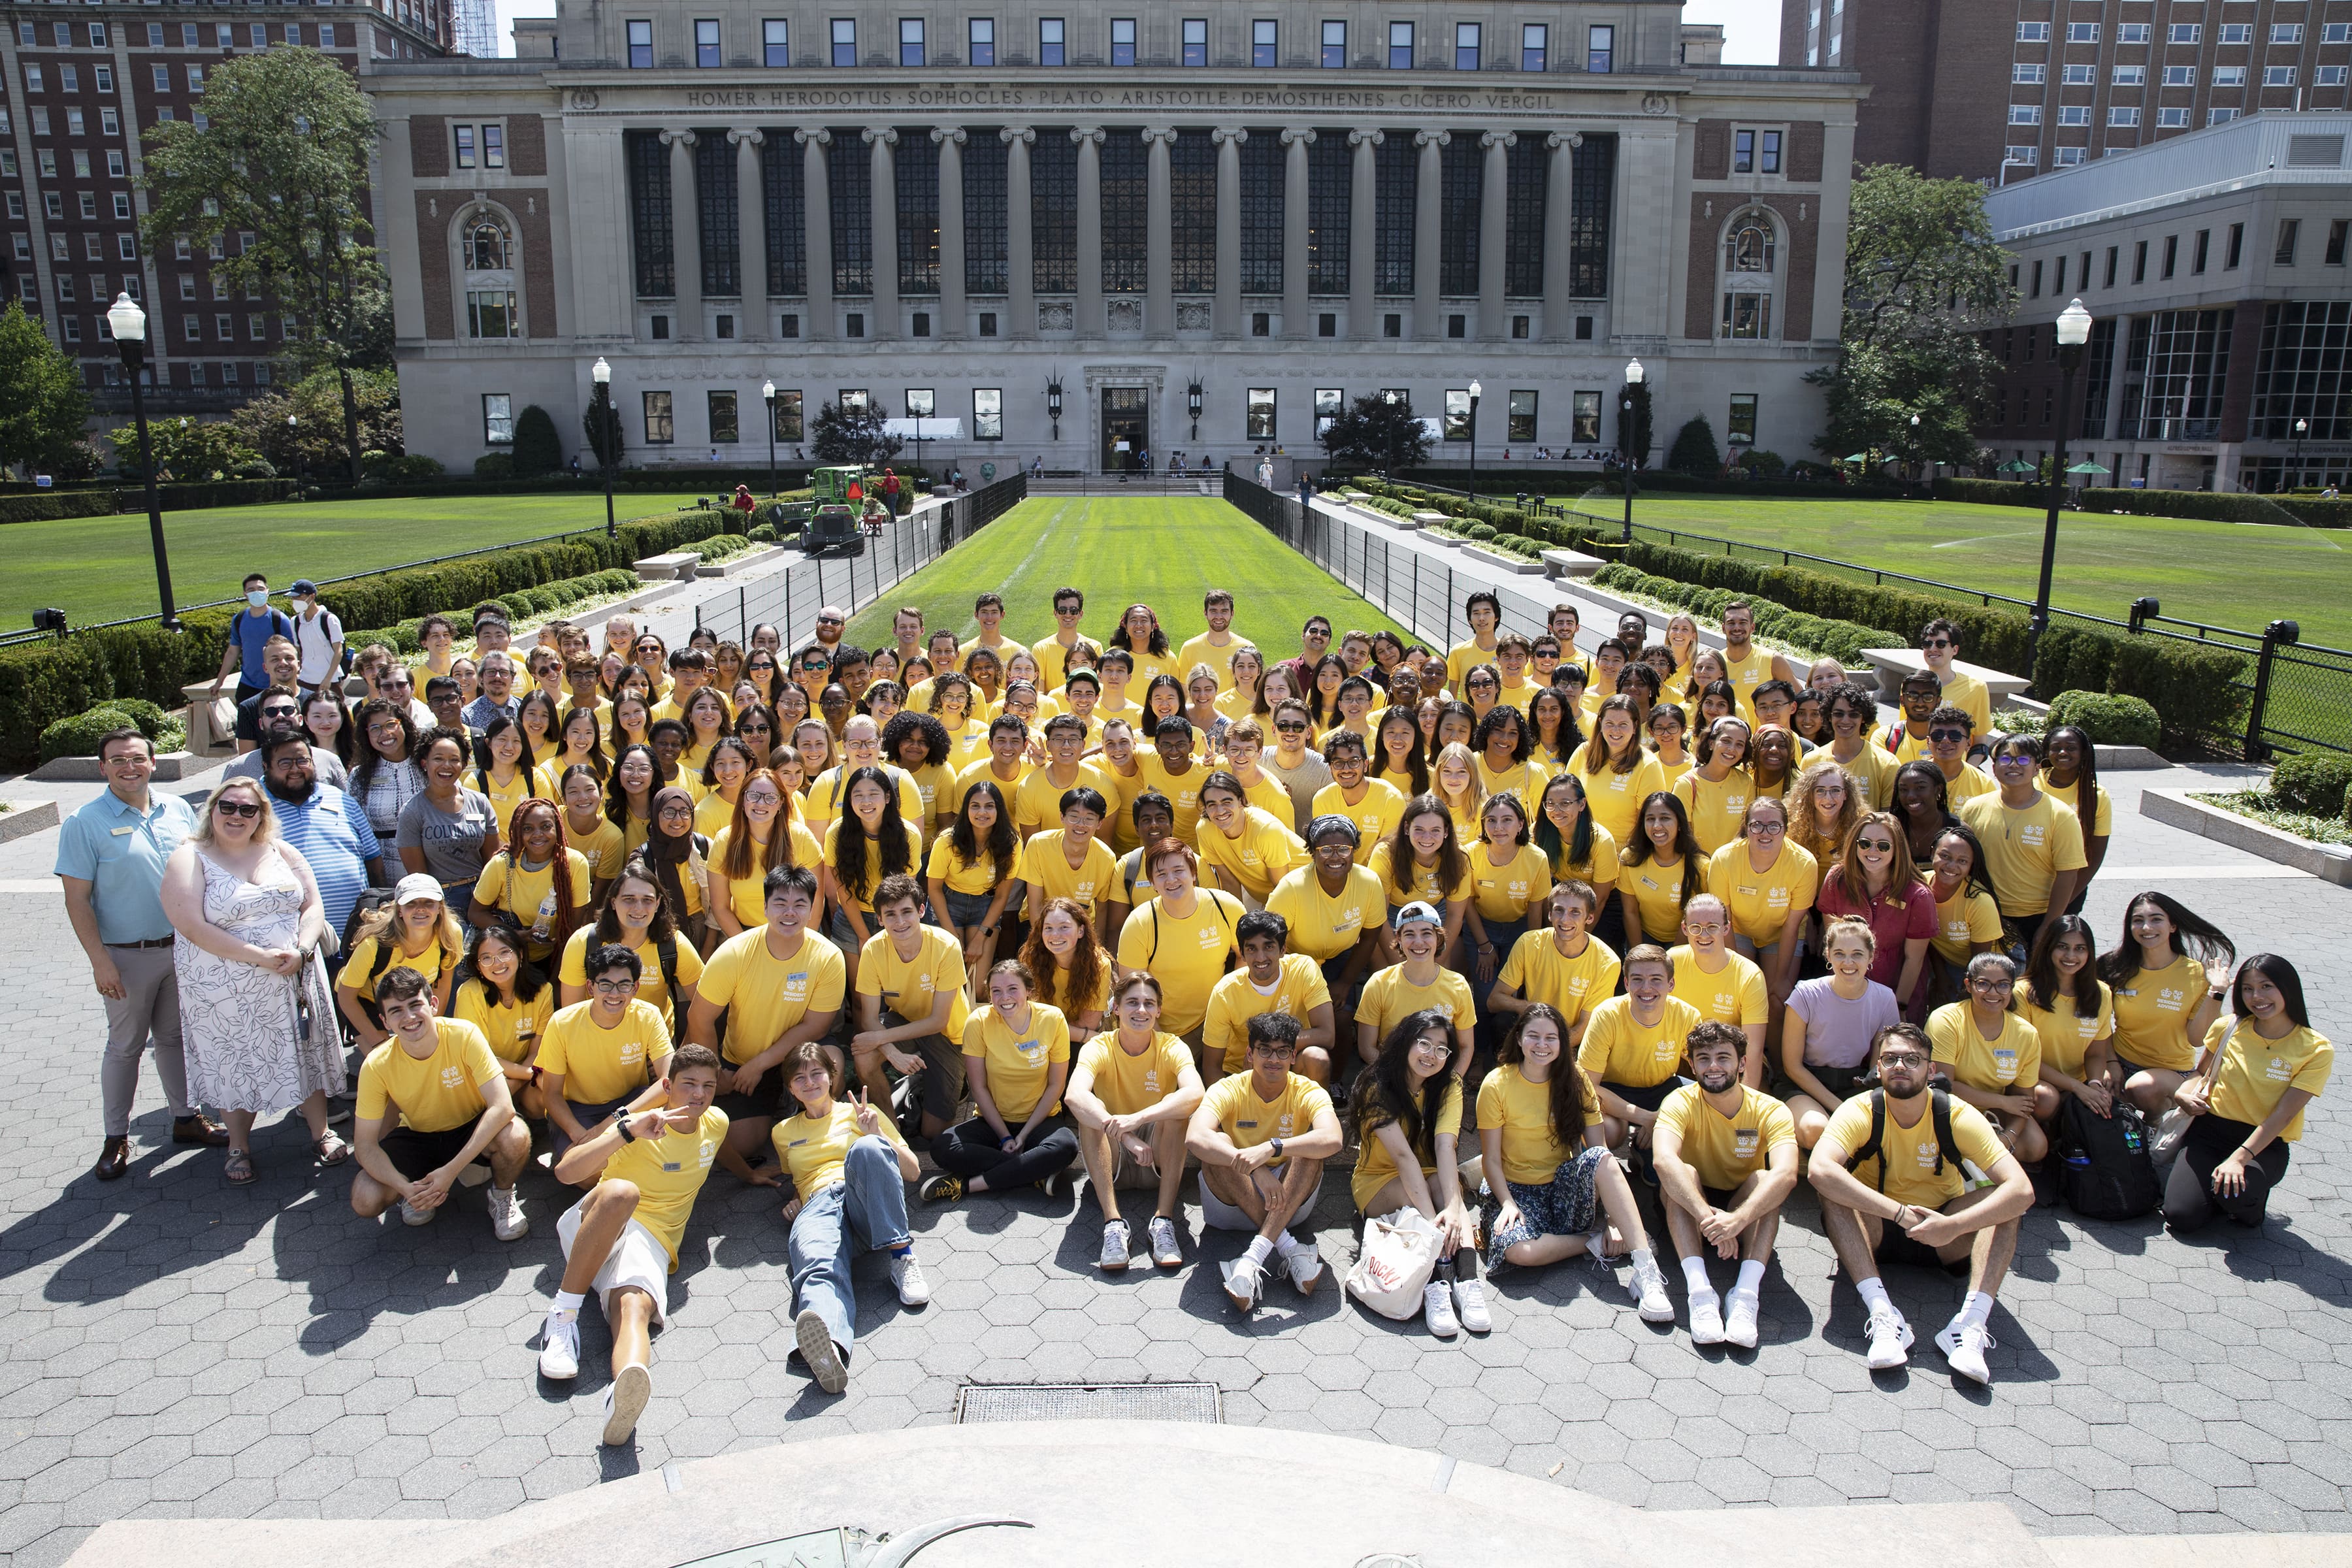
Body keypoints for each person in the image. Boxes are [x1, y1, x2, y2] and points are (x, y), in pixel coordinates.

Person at [1809, 1022, 2033, 1382]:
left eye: (1912, 1059)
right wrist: (1898, 1213)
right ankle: (1884, 1316)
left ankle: (1969, 1327)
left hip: (1944, 1233)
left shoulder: (1957, 1114)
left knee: (2005, 1202)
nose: (1900, 1066)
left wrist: (1952, 1226)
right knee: (1832, 1190)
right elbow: (1819, 1170)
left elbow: (2022, 1190)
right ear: (1877, 1068)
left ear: (1931, 1070)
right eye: (1890, 1058)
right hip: (1879, 1227)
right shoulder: (1859, 1109)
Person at [57, 725, 227, 1179]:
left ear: (153, 763)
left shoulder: (177, 809)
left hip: (182, 950)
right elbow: (77, 900)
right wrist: (100, 962)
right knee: (125, 1047)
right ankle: (116, 1137)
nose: (128, 767)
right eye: (117, 760)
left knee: (173, 1040)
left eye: (136, 758)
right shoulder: (84, 822)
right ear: (102, 768)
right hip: (125, 957)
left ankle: (186, 1118)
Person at [157, 774, 344, 1184]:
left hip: (293, 974)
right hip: (225, 990)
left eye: (248, 809)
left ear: (261, 815)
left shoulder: (280, 849)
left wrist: (303, 949)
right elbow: (189, 924)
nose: (237, 815)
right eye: (228, 807)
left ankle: (321, 1132)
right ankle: (238, 1146)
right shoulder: (190, 857)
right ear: (212, 811)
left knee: (304, 1048)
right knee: (236, 1061)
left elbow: (313, 905)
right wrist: (257, 956)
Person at [537, 1041, 727, 1443]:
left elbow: (707, 1156)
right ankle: (561, 1319)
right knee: (623, 1192)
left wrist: (750, 1176)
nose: (699, 1094)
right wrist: (625, 1131)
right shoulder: (637, 1124)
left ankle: (622, 1395)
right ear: (667, 1086)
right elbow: (566, 1172)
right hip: (598, 1221)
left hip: (653, 1242)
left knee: (635, 1307)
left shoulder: (719, 1124)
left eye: (708, 1086)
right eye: (689, 1084)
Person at [1473, 1004, 1673, 1321]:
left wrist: (1608, 1217)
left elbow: (1600, 1154)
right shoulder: (1496, 1084)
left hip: (1563, 1185)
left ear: (1563, 1043)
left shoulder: (1575, 1079)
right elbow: (1492, 1161)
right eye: (1533, 1036)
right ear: (1519, 1039)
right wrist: (1508, 1204)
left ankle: (1645, 1270)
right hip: (1515, 1190)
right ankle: (1592, 1242)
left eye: (1551, 1038)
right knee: (1519, 1252)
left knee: (1602, 1158)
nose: (1542, 1045)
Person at [774, 1041, 929, 1395]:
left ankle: (902, 1256)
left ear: (832, 1077)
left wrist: (873, 1132)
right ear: (790, 1087)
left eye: (817, 1074)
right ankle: (829, 1346)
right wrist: (794, 1201)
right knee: (817, 1263)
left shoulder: (863, 1111)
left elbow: (914, 1172)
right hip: (817, 1207)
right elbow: (798, 1178)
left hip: (863, 1202)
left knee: (869, 1147)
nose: (810, 1083)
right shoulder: (782, 1132)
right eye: (800, 1078)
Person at [687, 864, 846, 1183]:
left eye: (800, 904)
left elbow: (815, 1027)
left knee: (834, 1061)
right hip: (739, 1063)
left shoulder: (828, 956)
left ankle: (815, 1130)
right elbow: (698, 1018)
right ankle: (781, 1109)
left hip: (789, 1060)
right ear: (764, 907)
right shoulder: (734, 952)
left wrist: (761, 1064)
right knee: (738, 1145)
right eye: (780, 904)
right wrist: (715, 1073)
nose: (790, 913)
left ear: (812, 908)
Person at [348, 966, 532, 1237]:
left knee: (516, 1135)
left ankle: (501, 1197)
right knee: (365, 1197)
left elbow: (503, 1107)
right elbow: (364, 1146)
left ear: (433, 1004)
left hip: (470, 1125)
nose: (409, 1017)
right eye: (396, 1010)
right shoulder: (376, 1064)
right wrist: (404, 1188)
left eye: (415, 1005)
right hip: (418, 1135)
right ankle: (418, 1192)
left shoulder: (463, 1034)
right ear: (385, 1021)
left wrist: (450, 1172)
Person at [1652, 1021, 1801, 1348]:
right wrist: (1709, 1220)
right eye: (1703, 1059)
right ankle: (1700, 1292)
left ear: (1743, 1063)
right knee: (1679, 1174)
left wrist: (1737, 1221)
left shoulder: (1771, 1109)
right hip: (1693, 1203)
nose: (1713, 1066)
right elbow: (1663, 1159)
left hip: (1740, 1204)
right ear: (1692, 1066)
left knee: (1766, 1182)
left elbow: (1787, 1173)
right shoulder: (1679, 1101)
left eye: (1723, 1057)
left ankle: (1746, 1295)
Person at [1186, 1012, 1343, 1311]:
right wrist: (1255, 1169)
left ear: (1294, 1056)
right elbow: (1195, 1138)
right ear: (1249, 1054)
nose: (1274, 1059)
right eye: (1265, 1050)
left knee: (1310, 1149)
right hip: (1232, 1202)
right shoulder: (1228, 1088)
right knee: (1218, 1142)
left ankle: (1251, 1260)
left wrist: (1273, 1147)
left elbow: (1334, 1139)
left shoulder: (1307, 1090)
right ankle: (1288, 1248)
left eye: (1283, 1051)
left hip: (1288, 1200)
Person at [2165, 954, 2330, 1233]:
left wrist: (2239, 1158)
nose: (2257, 997)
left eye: (2267, 987)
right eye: (2248, 988)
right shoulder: (2228, 1026)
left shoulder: (2316, 1048)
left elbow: (2283, 1115)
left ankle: (2241, 1201)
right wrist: (2182, 1094)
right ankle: (2215, 1190)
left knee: (2238, 1198)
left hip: (2263, 1144)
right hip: (2210, 1133)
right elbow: (2199, 1074)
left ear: (2287, 988)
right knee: (2181, 1216)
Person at [1351, 1009, 1488, 1337]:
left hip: (1427, 1170)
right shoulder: (1377, 1084)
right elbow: (1402, 1158)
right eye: (1424, 1043)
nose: (1432, 1055)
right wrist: (1434, 1221)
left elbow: (1445, 1148)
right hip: (1380, 1178)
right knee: (1430, 1209)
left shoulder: (1450, 1085)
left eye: (1442, 1049)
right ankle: (1438, 1285)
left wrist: (1454, 1210)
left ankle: (1468, 1281)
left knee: (1447, 1196)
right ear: (1405, 1043)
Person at [1065, 973, 1206, 1270]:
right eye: (1132, 1002)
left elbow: (1196, 1092)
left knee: (1177, 1110)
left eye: (1148, 1004)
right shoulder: (1099, 1046)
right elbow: (1074, 1095)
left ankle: (1164, 1221)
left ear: (1158, 1011)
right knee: (1091, 1110)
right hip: (1113, 1153)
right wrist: (1127, 1135)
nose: (1140, 1010)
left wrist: (1140, 1118)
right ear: (1115, 1008)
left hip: (1157, 1156)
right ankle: (1114, 1224)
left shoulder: (1171, 1046)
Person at [921, 959, 1081, 1202]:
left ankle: (966, 1186)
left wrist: (1024, 1135)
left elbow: (1055, 1086)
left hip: (1039, 1121)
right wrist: (1006, 1137)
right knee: (943, 1146)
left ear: (1029, 991)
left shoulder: (1053, 1019)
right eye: (996, 991)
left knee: (1066, 1147)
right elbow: (979, 1088)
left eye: (1013, 989)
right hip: (992, 1122)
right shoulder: (978, 1022)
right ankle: (1032, 1171)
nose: (1004, 997)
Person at [849, 874, 970, 1136]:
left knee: (932, 1133)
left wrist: (884, 1042)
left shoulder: (946, 945)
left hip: (949, 1036)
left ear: (922, 911)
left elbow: (938, 1020)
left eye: (907, 912)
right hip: (903, 1022)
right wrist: (893, 1053)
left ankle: (927, 1084)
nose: (900, 921)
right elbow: (870, 1018)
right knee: (864, 1054)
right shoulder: (872, 949)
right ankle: (891, 1130)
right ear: (879, 919)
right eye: (890, 915)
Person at [537, 943, 674, 1171]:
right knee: (585, 1172)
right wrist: (580, 1134)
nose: (614, 994)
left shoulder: (648, 1015)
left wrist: (609, 1125)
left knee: (661, 1154)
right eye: (605, 984)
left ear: (635, 988)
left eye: (624, 985)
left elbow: (667, 1082)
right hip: (578, 1110)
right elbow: (551, 1095)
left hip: (630, 1103)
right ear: (590, 987)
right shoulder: (562, 1023)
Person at [2100, 890, 2235, 1117]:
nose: (2146, 928)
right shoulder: (2114, 967)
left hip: (2171, 1072)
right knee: (2095, 1091)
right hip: (2119, 1061)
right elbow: (2098, 1022)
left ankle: (2153, 1125)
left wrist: (2217, 992)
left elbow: (2196, 1039)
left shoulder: (2197, 973)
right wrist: (2110, 1063)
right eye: (2138, 921)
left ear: (2172, 926)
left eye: (2156, 919)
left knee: (2142, 1087)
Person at [1957, 734, 2086, 953]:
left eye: (2023, 760)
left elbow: (2068, 874)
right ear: (1995, 767)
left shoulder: (2060, 815)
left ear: (2037, 767)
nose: (2014, 765)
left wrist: (2048, 926)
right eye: (2005, 760)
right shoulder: (1973, 807)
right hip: (1985, 911)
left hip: (2036, 917)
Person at [257, 730, 388, 945]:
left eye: (302, 761)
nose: (295, 769)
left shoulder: (341, 799)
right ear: (266, 766)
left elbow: (373, 859)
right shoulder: (254, 807)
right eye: (285, 763)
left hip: (358, 935)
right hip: (293, 939)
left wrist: (380, 910)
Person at [1781, 917, 1903, 1149]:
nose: (1848, 962)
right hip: (1805, 1083)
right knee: (1816, 1130)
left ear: (1871, 957)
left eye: (1857, 954)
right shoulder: (1806, 994)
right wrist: (1840, 1108)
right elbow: (1792, 1066)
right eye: (1839, 954)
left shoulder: (1885, 998)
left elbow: (1878, 1067)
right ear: (1828, 955)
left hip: (1856, 1084)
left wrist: (1862, 1102)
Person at [1114, 838, 1244, 1050]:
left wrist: (1231, 1003)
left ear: (1194, 874)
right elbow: (1132, 992)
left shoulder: (1226, 907)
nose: (1171, 880)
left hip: (1218, 1024)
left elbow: (1246, 956)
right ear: (1153, 884)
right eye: (1161, 875)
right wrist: (1164, 1046)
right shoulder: (1140, 923)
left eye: (1178, 870)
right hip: (1161, 1031)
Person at [1576, 944, 1702, 1156]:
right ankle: (1592, 1172)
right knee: (1609, 1131)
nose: (1646, 988)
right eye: (1637, 979)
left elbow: (1707, 1073)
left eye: (1656, 979)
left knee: (1703, 1104)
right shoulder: (1607, 1014)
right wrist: (1648, 1118)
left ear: (1671, 984)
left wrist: (1669, 1114)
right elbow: (1587, 1085)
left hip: (1662, 1089)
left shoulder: (1687, 1015)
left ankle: (1645, 1157)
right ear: (1626, 983)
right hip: (1612, 1090)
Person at [1927, 953, 2052, 1164]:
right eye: (1983, 984)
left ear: (2012, 989)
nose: (1993, 993)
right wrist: (2003, 1102)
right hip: (1951, 1107)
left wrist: (2007, 1138)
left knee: (2035, 1147)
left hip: (1996, 1110)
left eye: (2003, 985)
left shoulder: (2026, 1034)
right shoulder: (1945, 1019)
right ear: (1968, 985)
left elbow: (2023, 1102)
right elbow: (1944, 1087)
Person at [1201, 910, 1335, 1085]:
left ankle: (1315, 1111)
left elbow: (1327, 1035)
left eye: (1268, 947)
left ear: (1283, 950)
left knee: (1317, 1058)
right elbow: (1211, 1067)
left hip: (1292, 1063)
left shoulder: (1304, 969)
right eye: (1252, 949)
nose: (1260, 957)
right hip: (1244, 1072)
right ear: (1241, 953)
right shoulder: (1224, 992)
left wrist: (1265, 1049)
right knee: (1251, 1064)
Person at [2015, 915, 2117, 1131]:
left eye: (2080, 948)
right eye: (2063, 947)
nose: (2071, 955)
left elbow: (2096, 1054)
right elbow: (2025, 1059)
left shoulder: (2102, 993)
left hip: (2079, 1083)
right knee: (2046, 1098)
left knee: (2109, 1092)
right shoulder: (2023, 992)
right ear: (2049, 948)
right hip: (2035, 1080)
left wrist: (2095, 1085)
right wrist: (2077, 1088)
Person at [1355, 902, 1477, 1074]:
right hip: (1392, 1076)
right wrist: (1402, 1077)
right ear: (1399, 939)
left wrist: (1451, 1083)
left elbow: (1466, 1047)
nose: (1419, 942)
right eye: (1409, 934)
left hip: (1439, 1077)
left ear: (1439, 938)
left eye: (1426, 934)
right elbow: (1367, 1048)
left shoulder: (1458, 986)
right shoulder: (1379, 984)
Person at [1490, 880, 1620, 1040]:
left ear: (1590, 917)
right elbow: (1494, 1001)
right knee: (1501, 1022)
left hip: (1570, 1040)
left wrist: (1547, 1046)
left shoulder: (1608, 962)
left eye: (1575, 912)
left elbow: (1585, 1027)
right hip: (1532, 1033)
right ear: (1550, 914)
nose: (1565, 919)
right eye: (1559, 910)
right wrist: (1528, 1007)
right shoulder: (1529, 942)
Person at [1665, 894, 1768, 1081]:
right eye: (1696, 927)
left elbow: (1753, 1051)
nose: (1704, 935)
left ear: (1726, 928)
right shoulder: (1672, 961)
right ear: (1685, 929)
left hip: (1732, 1063)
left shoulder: (1749, 975)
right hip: (1684, 1060)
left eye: (1713, 927)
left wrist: (1744, 1104)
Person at [397, 728, 498, 907]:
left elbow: (491, 862)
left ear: (464, 764)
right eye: (438, 759)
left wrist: (484, 903)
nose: (446, 766)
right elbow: (419, 876)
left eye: (454, 760)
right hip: (441, 898)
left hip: (482, 895)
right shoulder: (412, 811)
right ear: (424, 763)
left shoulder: (480, 803)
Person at [210, 572, 297, 739]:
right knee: (248, 732)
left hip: (275, 685)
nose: (256, 592)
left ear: (268, 591)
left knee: (278, 730)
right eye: (251, 590)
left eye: (260, 589)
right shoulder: (239, 620)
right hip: (248, 685)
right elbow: (232, 652)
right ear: (245, 594)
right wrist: (219, 681)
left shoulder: (279, 619)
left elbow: (292, 652)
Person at [1919, 618, 1993, 747]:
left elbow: (1980, 744)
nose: (1933, 649)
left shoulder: (1975, 688)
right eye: (1927, 644)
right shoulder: (1913, 685)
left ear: (1955, 650)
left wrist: (1965, 767)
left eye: (1941, 644)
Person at [233, 639, 304, 755]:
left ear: (299, 665)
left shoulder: (313, 702)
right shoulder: (249, 707)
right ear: (265, 667)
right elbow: (247, 758)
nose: (283, 663)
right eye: (275, 659)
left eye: (289, 658)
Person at [287, 580, 345, 700]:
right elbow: (298, 651)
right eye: (293, 598)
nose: (296, 601)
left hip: (330, 680)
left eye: (299, 597)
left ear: (312, 596)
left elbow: (338, 651)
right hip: (305, 679)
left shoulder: (329, 619)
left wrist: (327, 679)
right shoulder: (295, 622)